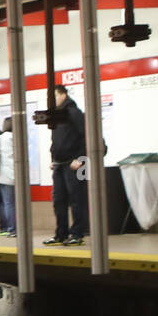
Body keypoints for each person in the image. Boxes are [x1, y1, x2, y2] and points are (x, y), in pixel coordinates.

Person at [44, 85, 89, 246]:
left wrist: (81, 159)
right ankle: (60, 234)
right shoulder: (58, 116)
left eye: (54, 96)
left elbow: (86, 136)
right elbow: (55, 141)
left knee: (77, 199)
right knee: (59, 200)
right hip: (59, 164)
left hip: (75, 164)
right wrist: (53, 157)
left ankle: (77, 233)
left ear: (63, 95)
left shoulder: (75, 113)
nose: (52, 100)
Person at [0, 116, 17, 237]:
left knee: (8, 203)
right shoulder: (19, 136)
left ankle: (11, 229)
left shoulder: (0, 138)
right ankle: (21, 226)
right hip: (19, 175)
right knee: (20, 202)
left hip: (4, 175)